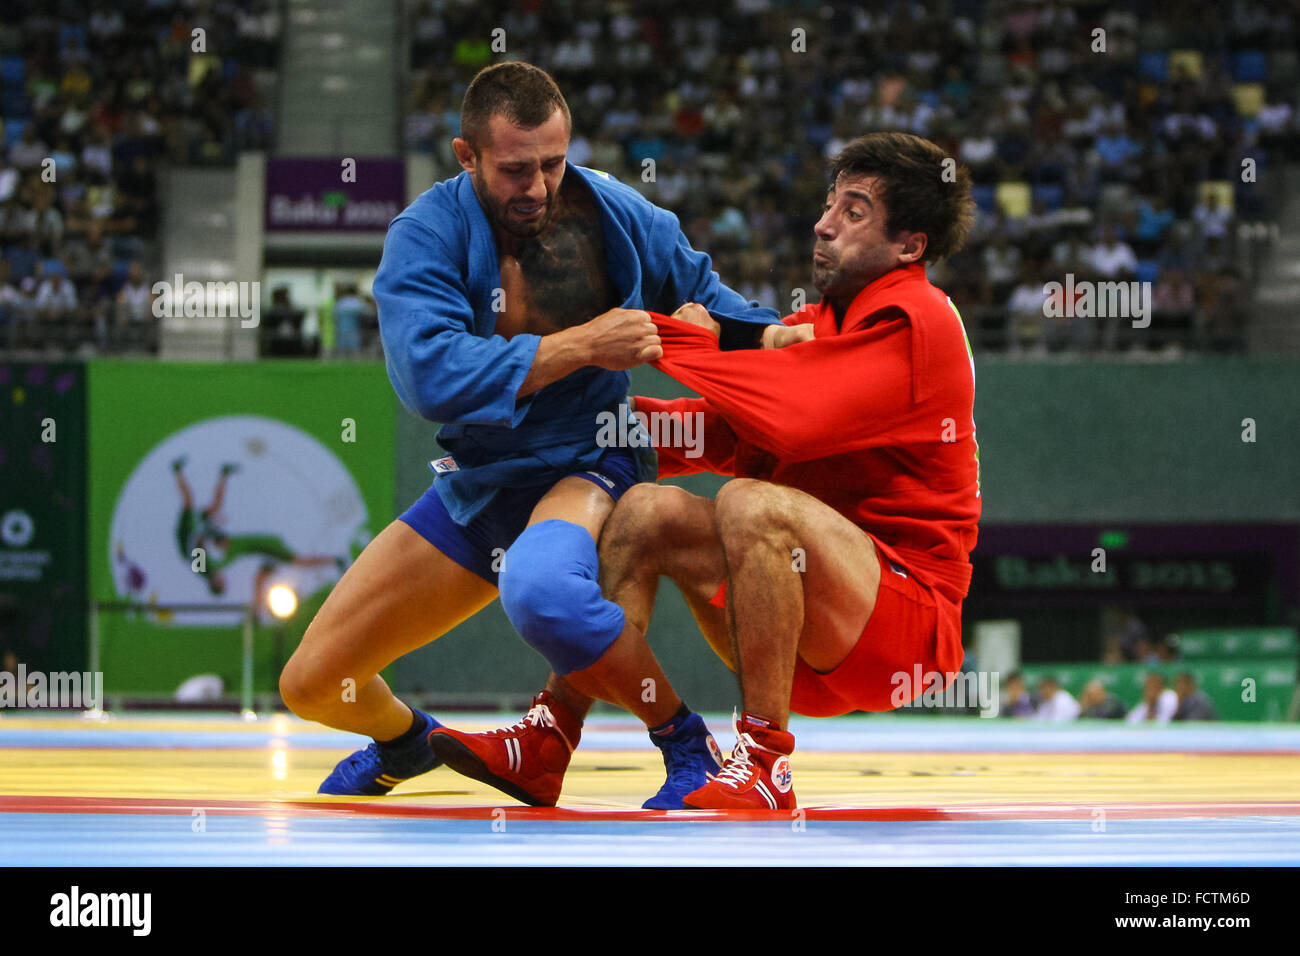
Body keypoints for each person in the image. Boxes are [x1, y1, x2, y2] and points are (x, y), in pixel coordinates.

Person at [280, 62, 779, 807]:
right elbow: (428, 376)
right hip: (482, 482)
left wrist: (772, 335)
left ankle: (685, 742)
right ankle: (405, 742)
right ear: (466, 155)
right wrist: (582, 345)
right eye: (516, 169)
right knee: (314, 683)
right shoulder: (424, 235)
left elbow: (706, 294)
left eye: (553, 162)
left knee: (542, 588)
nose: (539, 186)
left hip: (590, 456)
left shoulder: (609, 210)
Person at [432, 131, 980, 810]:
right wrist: (574, 430)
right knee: (645, 513)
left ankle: (764, 766)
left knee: (752, 504)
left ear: (910, 246)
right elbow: (726, 433)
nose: (824, 222)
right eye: (830, 202)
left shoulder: (918, 319)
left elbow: (792, 417)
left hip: (902, 629)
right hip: (801, 631)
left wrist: (673, 339)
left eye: (855, 211)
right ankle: (549, 741)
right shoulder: (823, 322)